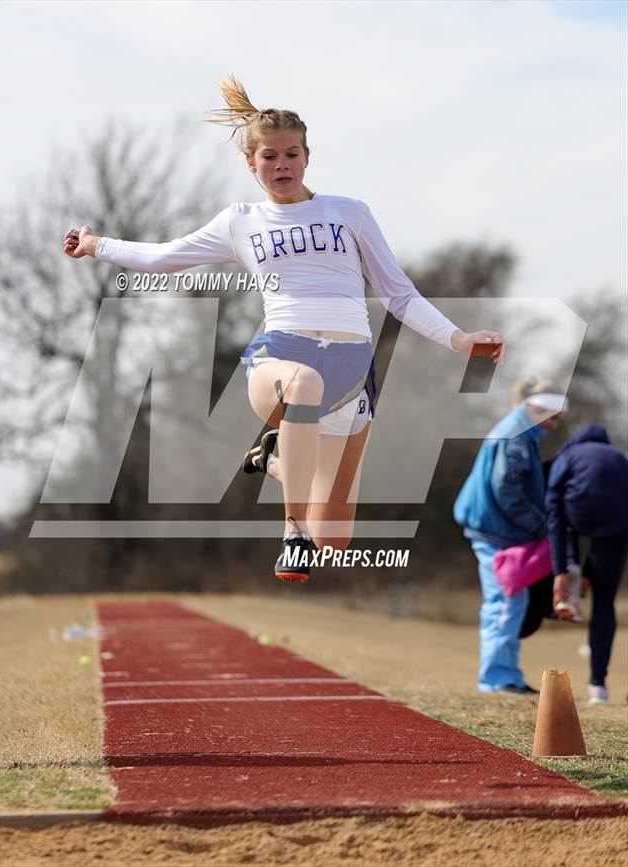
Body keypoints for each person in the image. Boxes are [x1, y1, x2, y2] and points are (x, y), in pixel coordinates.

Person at [64, 74, 504, 582]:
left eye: (291, 154)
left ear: (307, 157)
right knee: (303, 388)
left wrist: (459, 338)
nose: (281, 166)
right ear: (251, 164)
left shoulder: (350, 214)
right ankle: (291, 531)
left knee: (334, 541)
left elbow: (399, 294)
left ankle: (276, 458)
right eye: (269, 157)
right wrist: (98, 245)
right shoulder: (241, 221)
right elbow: (165, 258)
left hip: (352, 374)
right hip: (280, 356)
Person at [453, 378, 568, 694]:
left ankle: (508, 676)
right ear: (536, 405)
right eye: (554, 414)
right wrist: (543, 525)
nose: (557, 423)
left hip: (500, 531)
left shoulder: (520, 431)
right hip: (497, 532)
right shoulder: (515, 437)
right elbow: (506, 489)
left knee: (511, 601)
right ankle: (496, 679)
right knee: (506, 600)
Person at [545, 424, 628, 705]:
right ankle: (598, 687)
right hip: (618, 526)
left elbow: (554, 515)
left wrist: (559, 570)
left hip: (578, 516)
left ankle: (571, 577)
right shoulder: (619, 457)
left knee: (567, 526)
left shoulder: (567, 456)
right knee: (604, 602)